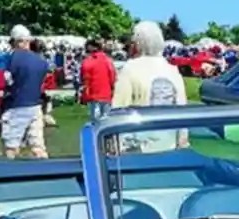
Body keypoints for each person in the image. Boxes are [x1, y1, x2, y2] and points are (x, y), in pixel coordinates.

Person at [112, 21, 189, 152]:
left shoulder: (130, 68)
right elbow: (182, 109)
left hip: (138, 149)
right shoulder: (172, 70)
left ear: (137, 44)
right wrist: (182, 142)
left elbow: (118, 110)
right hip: (170, 146)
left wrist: (114, 147)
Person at [2, 24, 50, 159]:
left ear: (18, 41)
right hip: (35, 105)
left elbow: (7, 80)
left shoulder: (13, 58)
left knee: (11, 147)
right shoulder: (41, 61)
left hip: (16, 105)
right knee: (38, 146)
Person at [79, 38, 117, 120]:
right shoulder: (108, 60)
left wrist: (84, 96)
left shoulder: (87, 61)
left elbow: (84, 80)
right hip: (106, 95)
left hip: (93, 96)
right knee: (106, 121)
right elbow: (113, 77)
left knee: (95, 123)